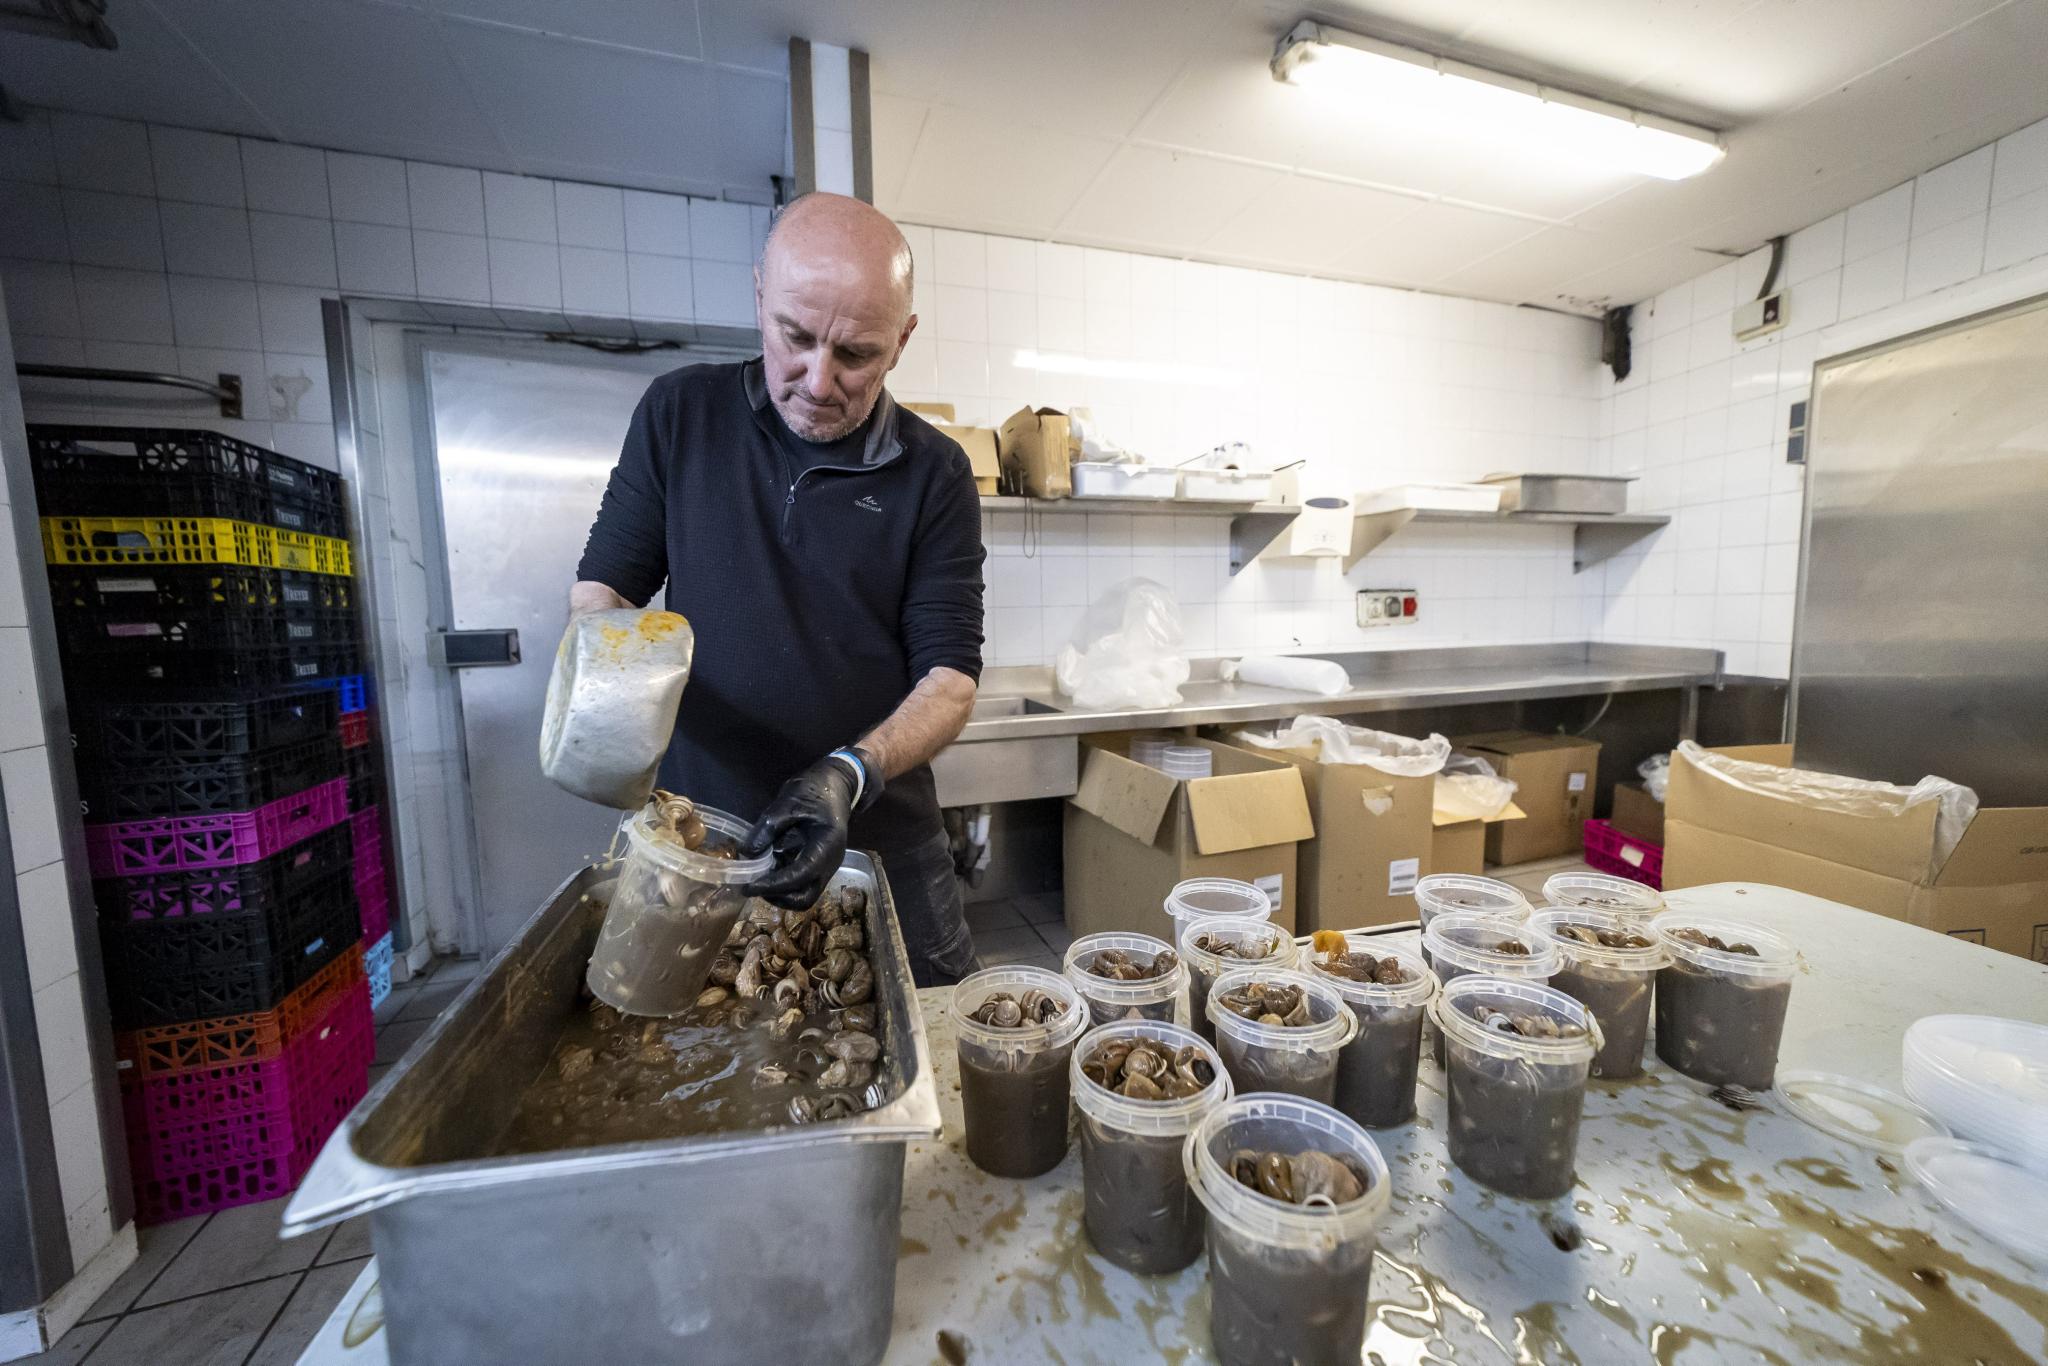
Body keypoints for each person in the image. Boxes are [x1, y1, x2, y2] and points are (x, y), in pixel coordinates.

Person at [571, 192, 984, 985]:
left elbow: (950, 680)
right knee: (686, 1042)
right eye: (794, 337)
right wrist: (609, 719)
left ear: (902, 341)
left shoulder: (936, 473)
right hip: (699, 835)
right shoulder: (680, 413)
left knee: (932, 1050)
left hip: (878, 832)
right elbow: (605, 593)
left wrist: (846, 771)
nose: (817, 381)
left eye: (856, 354)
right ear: (760, 295)